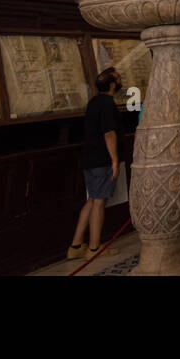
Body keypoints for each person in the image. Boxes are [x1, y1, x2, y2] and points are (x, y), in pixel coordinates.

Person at [68, 67, 122, 261]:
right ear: (112, 84)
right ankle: (93, 247)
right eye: (117, 78)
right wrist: (115, 160)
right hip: (102, 160)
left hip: (89, 159)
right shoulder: (107, 103)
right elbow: (109, 133)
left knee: (91, 200)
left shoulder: (93, 101)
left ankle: (75, 245)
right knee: (99, 202)